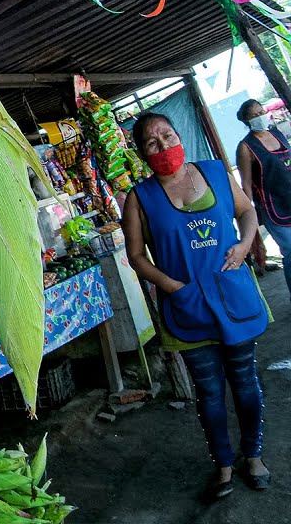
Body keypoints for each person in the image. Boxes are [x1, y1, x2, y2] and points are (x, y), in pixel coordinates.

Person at [121, 112, 271, 500]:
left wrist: (244, 245)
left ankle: (252, 456)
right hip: (186, 307)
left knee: (245, 383)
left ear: (178, 135)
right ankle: (222, 465)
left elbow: (248, 211)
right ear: (142, 153)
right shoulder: (139, 199)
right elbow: (136, 255)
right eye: (151, 143)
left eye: (167, 136)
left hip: (232, 294)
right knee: (209, 393)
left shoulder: (217, 172)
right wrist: (171, 285)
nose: (163, 146)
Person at [236, 98, 291, 275]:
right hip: (273, 208)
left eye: (261, 112)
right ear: (246, 120)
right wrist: (248, 214)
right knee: (290, 251)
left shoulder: (277, 134)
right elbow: (246, 185)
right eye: (255, 115)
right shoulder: (245, 147)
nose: (261, 117)